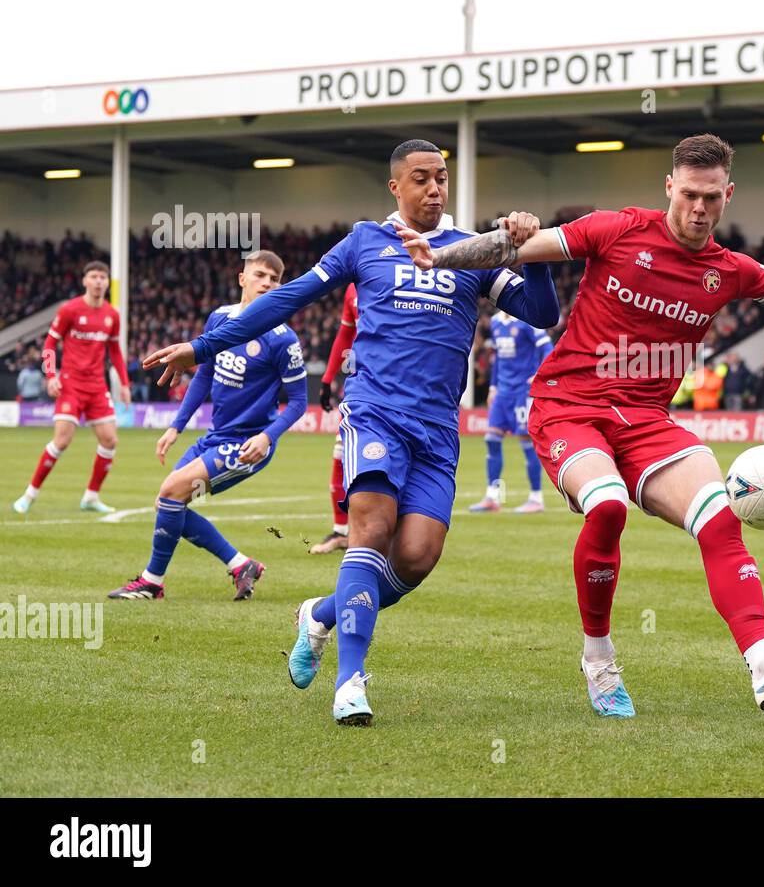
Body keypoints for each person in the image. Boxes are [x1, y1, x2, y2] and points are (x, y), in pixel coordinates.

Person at [398, 133, 764, 716]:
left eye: (712, 198)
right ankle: (598, 659)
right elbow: (518, 248)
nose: (699, 209)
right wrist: (438, 256)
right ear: (670, 187)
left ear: (728, 196)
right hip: (569, 403)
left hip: (647, 419)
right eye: (689, 195)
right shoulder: (616, 229)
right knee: (608, 505)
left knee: (720, 517)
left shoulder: (726, 270)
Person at [144, 140, 559, 726]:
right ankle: (350, 683)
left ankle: (320, 613)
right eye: (422, 179)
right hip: (375, 412)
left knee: (417, 556)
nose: (435, 188)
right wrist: (203, 346)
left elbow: (544, 314)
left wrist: (529, 253)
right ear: (396, 187)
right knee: (372, 527)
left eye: (441, 177)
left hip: (438, 429)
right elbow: (287, 298)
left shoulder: (468, 252)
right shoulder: (366, 241)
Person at [108, 251, 305, 601]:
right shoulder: (220, 318)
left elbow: (300, 402)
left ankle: (152, 582)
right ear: (242, 278)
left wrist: (267, 437)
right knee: (167, 503)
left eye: (274, 280)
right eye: (260, 275)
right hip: (217, 437)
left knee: (173, 492)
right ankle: (240, 564)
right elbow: (204, 373)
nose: (267, 283)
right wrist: (175, 427)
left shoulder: (283, 339)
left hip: (247, 446)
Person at [13, 261, 130, 515]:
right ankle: (29, 495)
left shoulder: (112, 315)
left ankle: (91, 496)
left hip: (97, 386)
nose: (99, 281)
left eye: (102, 277)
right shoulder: (70, 310)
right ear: (85, 281)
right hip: (71, 385)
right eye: (94, 276)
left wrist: (125, 384)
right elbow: (49, 343)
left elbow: (115, 352)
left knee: (110, 440)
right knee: (62, 440)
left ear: (107, 282)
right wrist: (51, 374)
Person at [468, 311, 553, 513]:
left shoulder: (529, 320)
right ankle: (492, 496)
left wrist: (541, 375)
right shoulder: (496, 322)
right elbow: (497, 359)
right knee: (491, 439)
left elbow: (548, 349)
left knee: (526, 442)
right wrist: (493, 388)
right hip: (503, 392)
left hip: (523, 391)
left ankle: (536, 497)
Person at [310, 283, 358, 554]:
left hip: (397, 384)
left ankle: (390, 533)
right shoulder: (352, 288)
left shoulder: (399, 273)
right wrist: (327, 379)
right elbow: (346, 333)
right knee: (341, 454)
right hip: (361, 384)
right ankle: (341, 531)